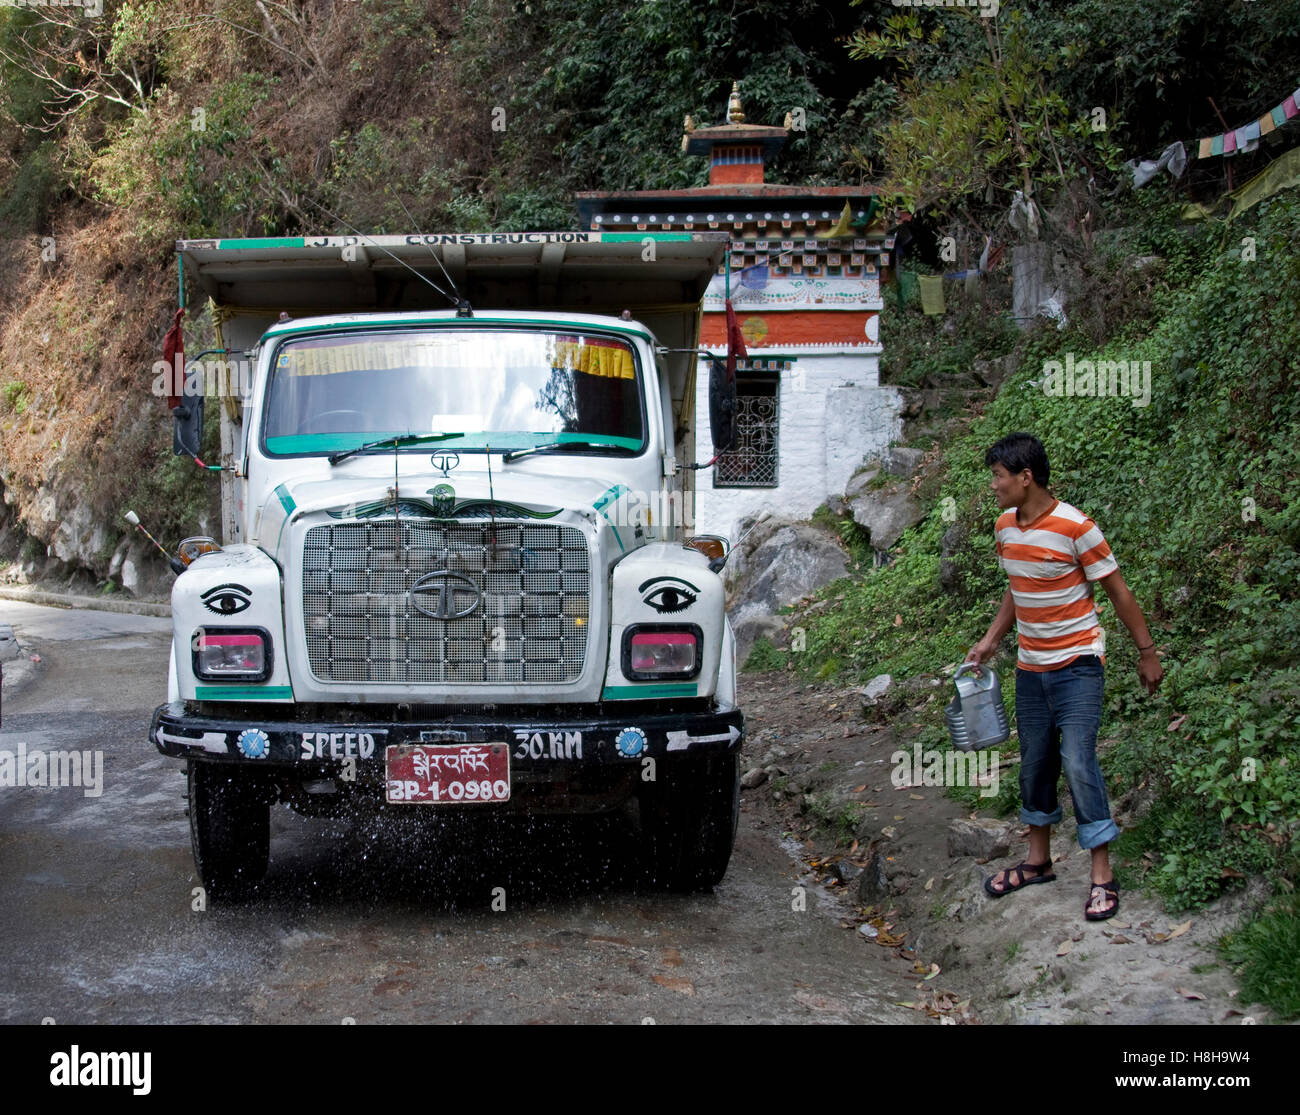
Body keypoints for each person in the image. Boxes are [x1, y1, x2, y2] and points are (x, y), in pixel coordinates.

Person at [964, 433, 1163, 920]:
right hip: (1031, 668)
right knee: (1034, 763)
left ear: (1025, 477)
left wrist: (1147, 652)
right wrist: (991, 640)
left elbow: (1117, 591)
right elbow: (1018, 587)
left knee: (1077, 758)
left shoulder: (1077, 527)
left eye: (998, 476)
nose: (993, 486)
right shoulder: (1005, 528)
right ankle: (1037, 862)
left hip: (1078, 665)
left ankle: (1101, 874)